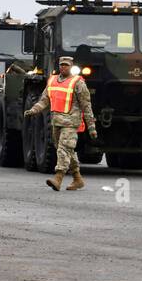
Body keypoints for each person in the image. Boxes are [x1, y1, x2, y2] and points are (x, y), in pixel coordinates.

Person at [24, 56, 97, 191]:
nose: (64, 67)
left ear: (71, 66)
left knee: (64, 149)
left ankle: (58, 177)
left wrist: (92, 127)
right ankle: (77, 178)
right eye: (62, 65)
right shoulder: (52, 81)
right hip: (56, 122)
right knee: (65, 150)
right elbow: (44, 100)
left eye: (66, 65)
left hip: (71, 123)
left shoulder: (78, 83)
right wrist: (34, 110)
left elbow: (87, 107)